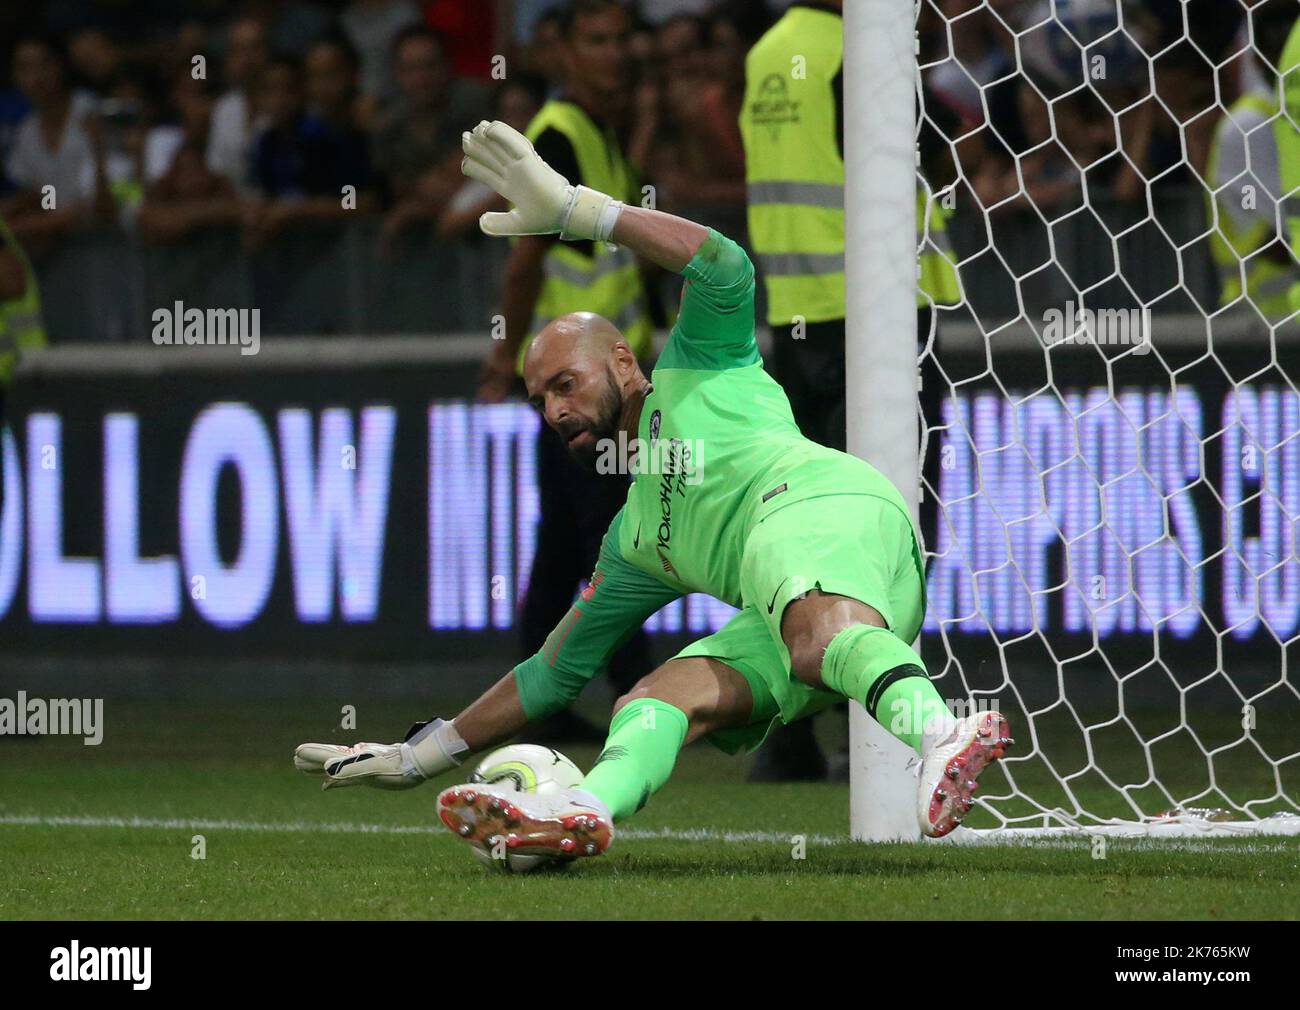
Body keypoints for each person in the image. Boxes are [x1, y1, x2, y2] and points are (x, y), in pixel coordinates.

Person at [294, 120, 1013, 862]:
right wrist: (423, 754)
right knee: (652, 698)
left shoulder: (697, 364)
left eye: (565, 384)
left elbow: (725, 266)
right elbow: (552, 673)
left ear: (622, 361)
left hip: (822, 509)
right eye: (539, 399)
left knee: (802, 623)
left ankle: (941, 732)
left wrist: (581, 211)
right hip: (825, 612)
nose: (555, 411)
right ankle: (582, 809)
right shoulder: (636, 541)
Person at [737, 0, 962, 781]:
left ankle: (787, 733)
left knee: (802, 529)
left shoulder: (770, 52)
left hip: (797, 315)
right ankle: (888, 733)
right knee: (893, 525)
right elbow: (931, 151)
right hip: (877, 311)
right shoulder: (865, 51)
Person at [475, 0, 656, 742]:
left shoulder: (596, 129)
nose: (613, 54)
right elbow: (526, 261)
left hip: (599, 384)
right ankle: (634, 688)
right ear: (564, 50)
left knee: (565, 544)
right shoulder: (559, 135)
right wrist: (503, 357)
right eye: (596, 41)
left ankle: (539, 700)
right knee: (609, 538)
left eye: (621, 40)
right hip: (577, 389)